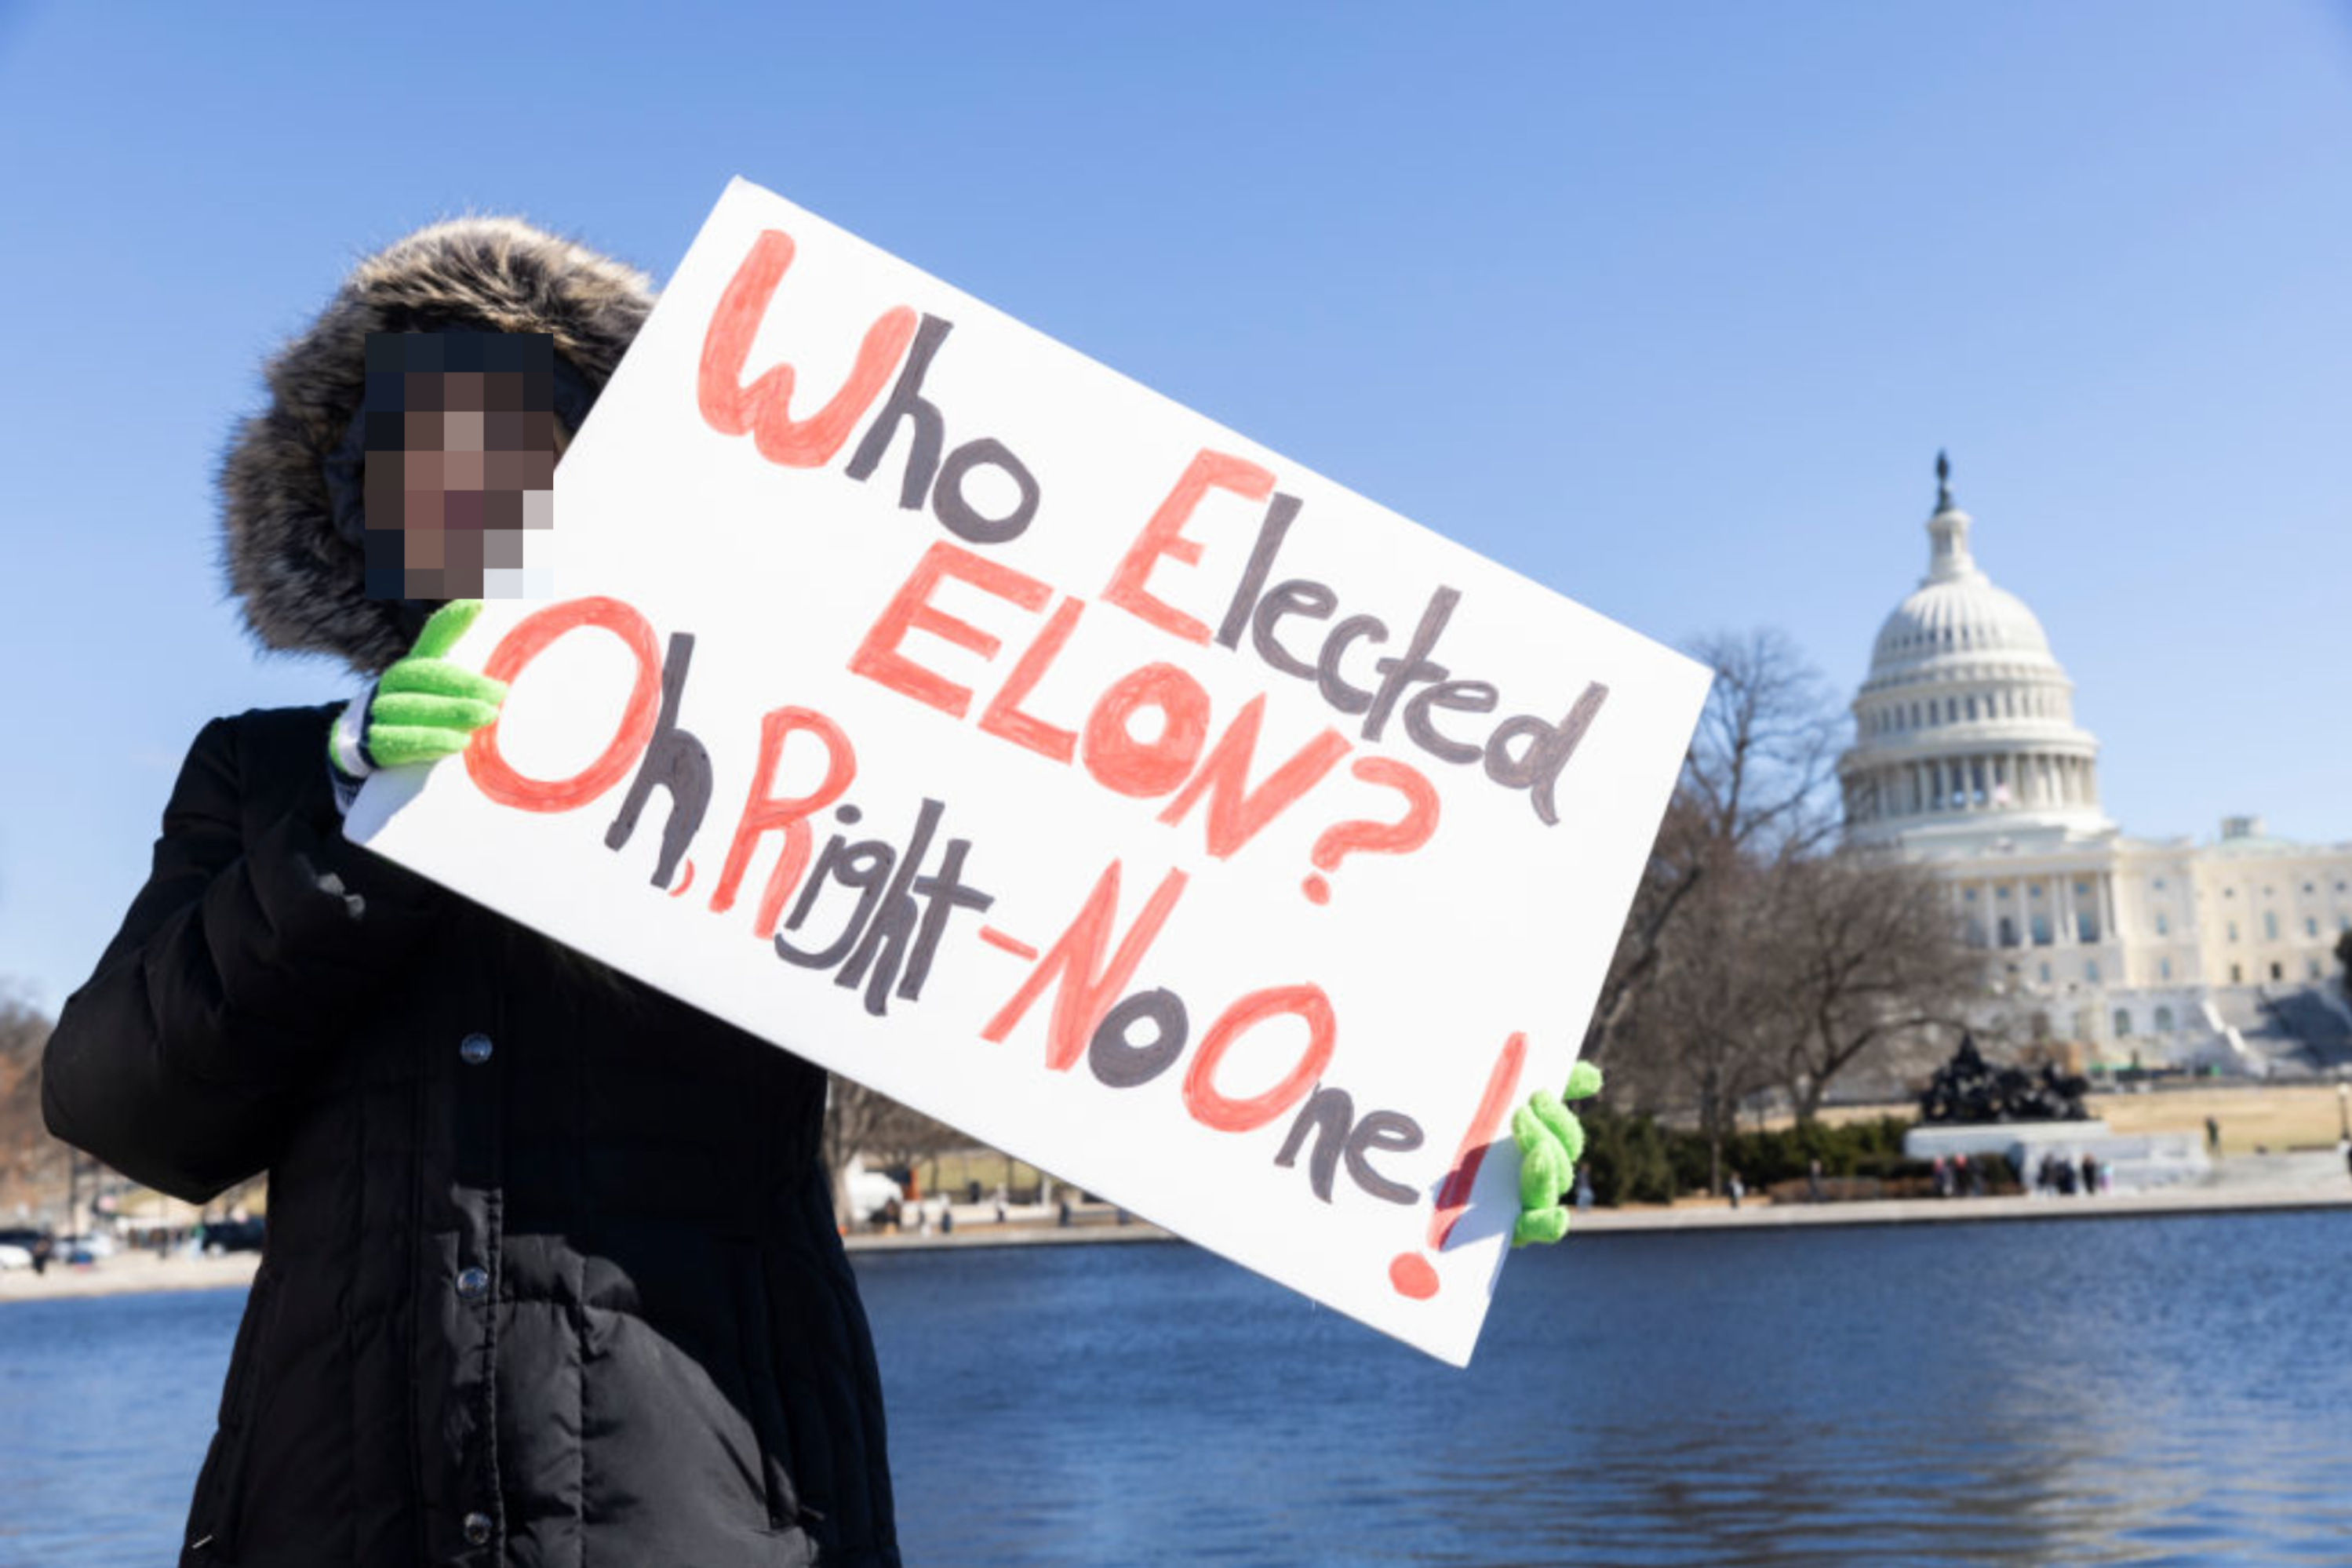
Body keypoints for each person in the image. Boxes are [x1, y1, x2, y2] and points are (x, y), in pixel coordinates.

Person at [42, 218, 898, 1567]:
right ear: (345, 501)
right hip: (334, 1521)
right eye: (415, 460)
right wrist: (358, 812)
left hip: (707, 1526)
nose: (468, 495)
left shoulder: (779, 770)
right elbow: (120, 1105)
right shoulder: (266, 778)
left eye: (520, 457)